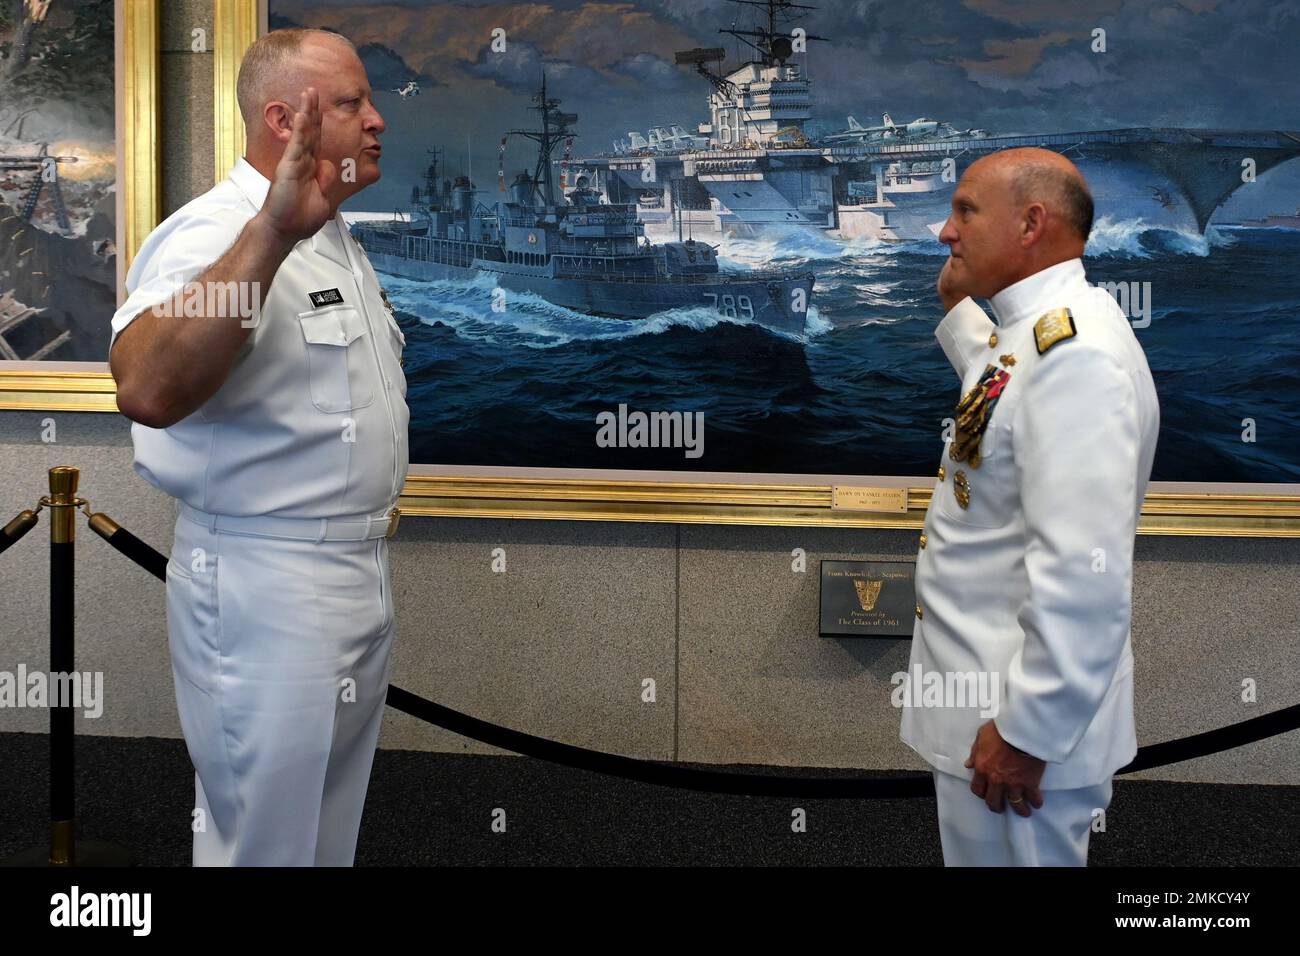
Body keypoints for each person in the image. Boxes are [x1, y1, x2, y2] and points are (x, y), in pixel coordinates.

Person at [107, 28, 408, 865]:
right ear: (287, 119)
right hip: (266, 588)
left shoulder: (336, 236)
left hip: (353, 577)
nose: (379, 120)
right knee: (263, 846)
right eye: (352, 103)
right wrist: (271, 236)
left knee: (320, 840)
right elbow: (147, 389)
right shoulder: (218, 232)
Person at [899, 147, 1160, 866]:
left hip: (1015, 735)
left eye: (965, 211)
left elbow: (1083, 573)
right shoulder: (1044, 330)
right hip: (992, 710)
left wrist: (1027, 733)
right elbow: (1007, 388)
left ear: (1031, 223)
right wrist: (958, 315)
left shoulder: (1075, 357)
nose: (944, 231)